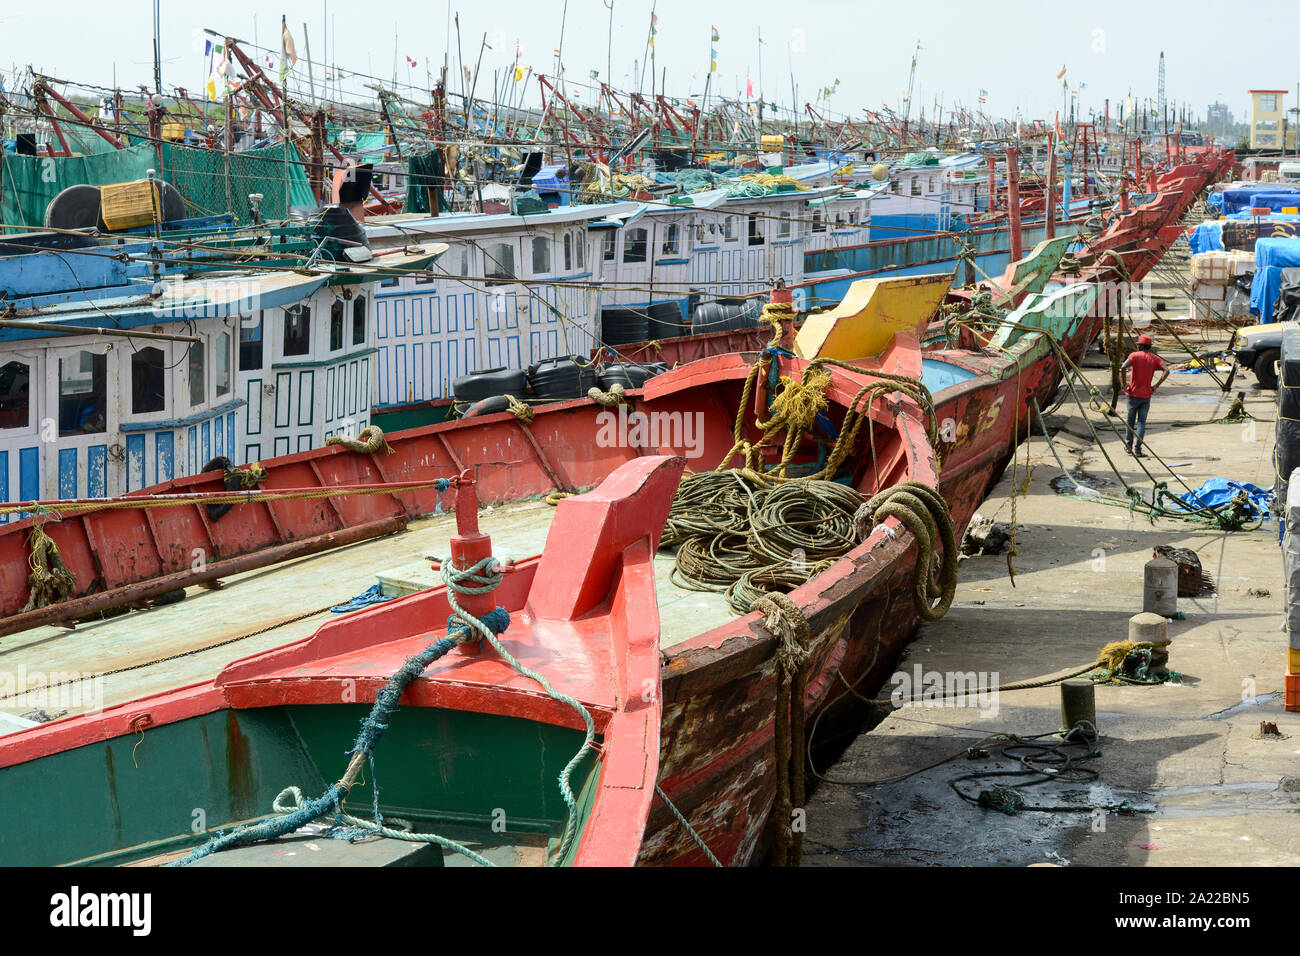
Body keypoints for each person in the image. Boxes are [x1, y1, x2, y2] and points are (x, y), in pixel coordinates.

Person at [1120, 334, 1169, 458]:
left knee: (1130, 422)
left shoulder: (1134, 356)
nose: (1137, 347)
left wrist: (1124, 384)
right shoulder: (1154, 358)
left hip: (1132, 394)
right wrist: (1156, 385)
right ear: (1149, 346)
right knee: (1141, 423)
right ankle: (1138, 450)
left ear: (1141, 346)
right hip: (1146, 395)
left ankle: (1128, 446)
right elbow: (1167, 370)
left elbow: (1123, 367)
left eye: (1138, 345)